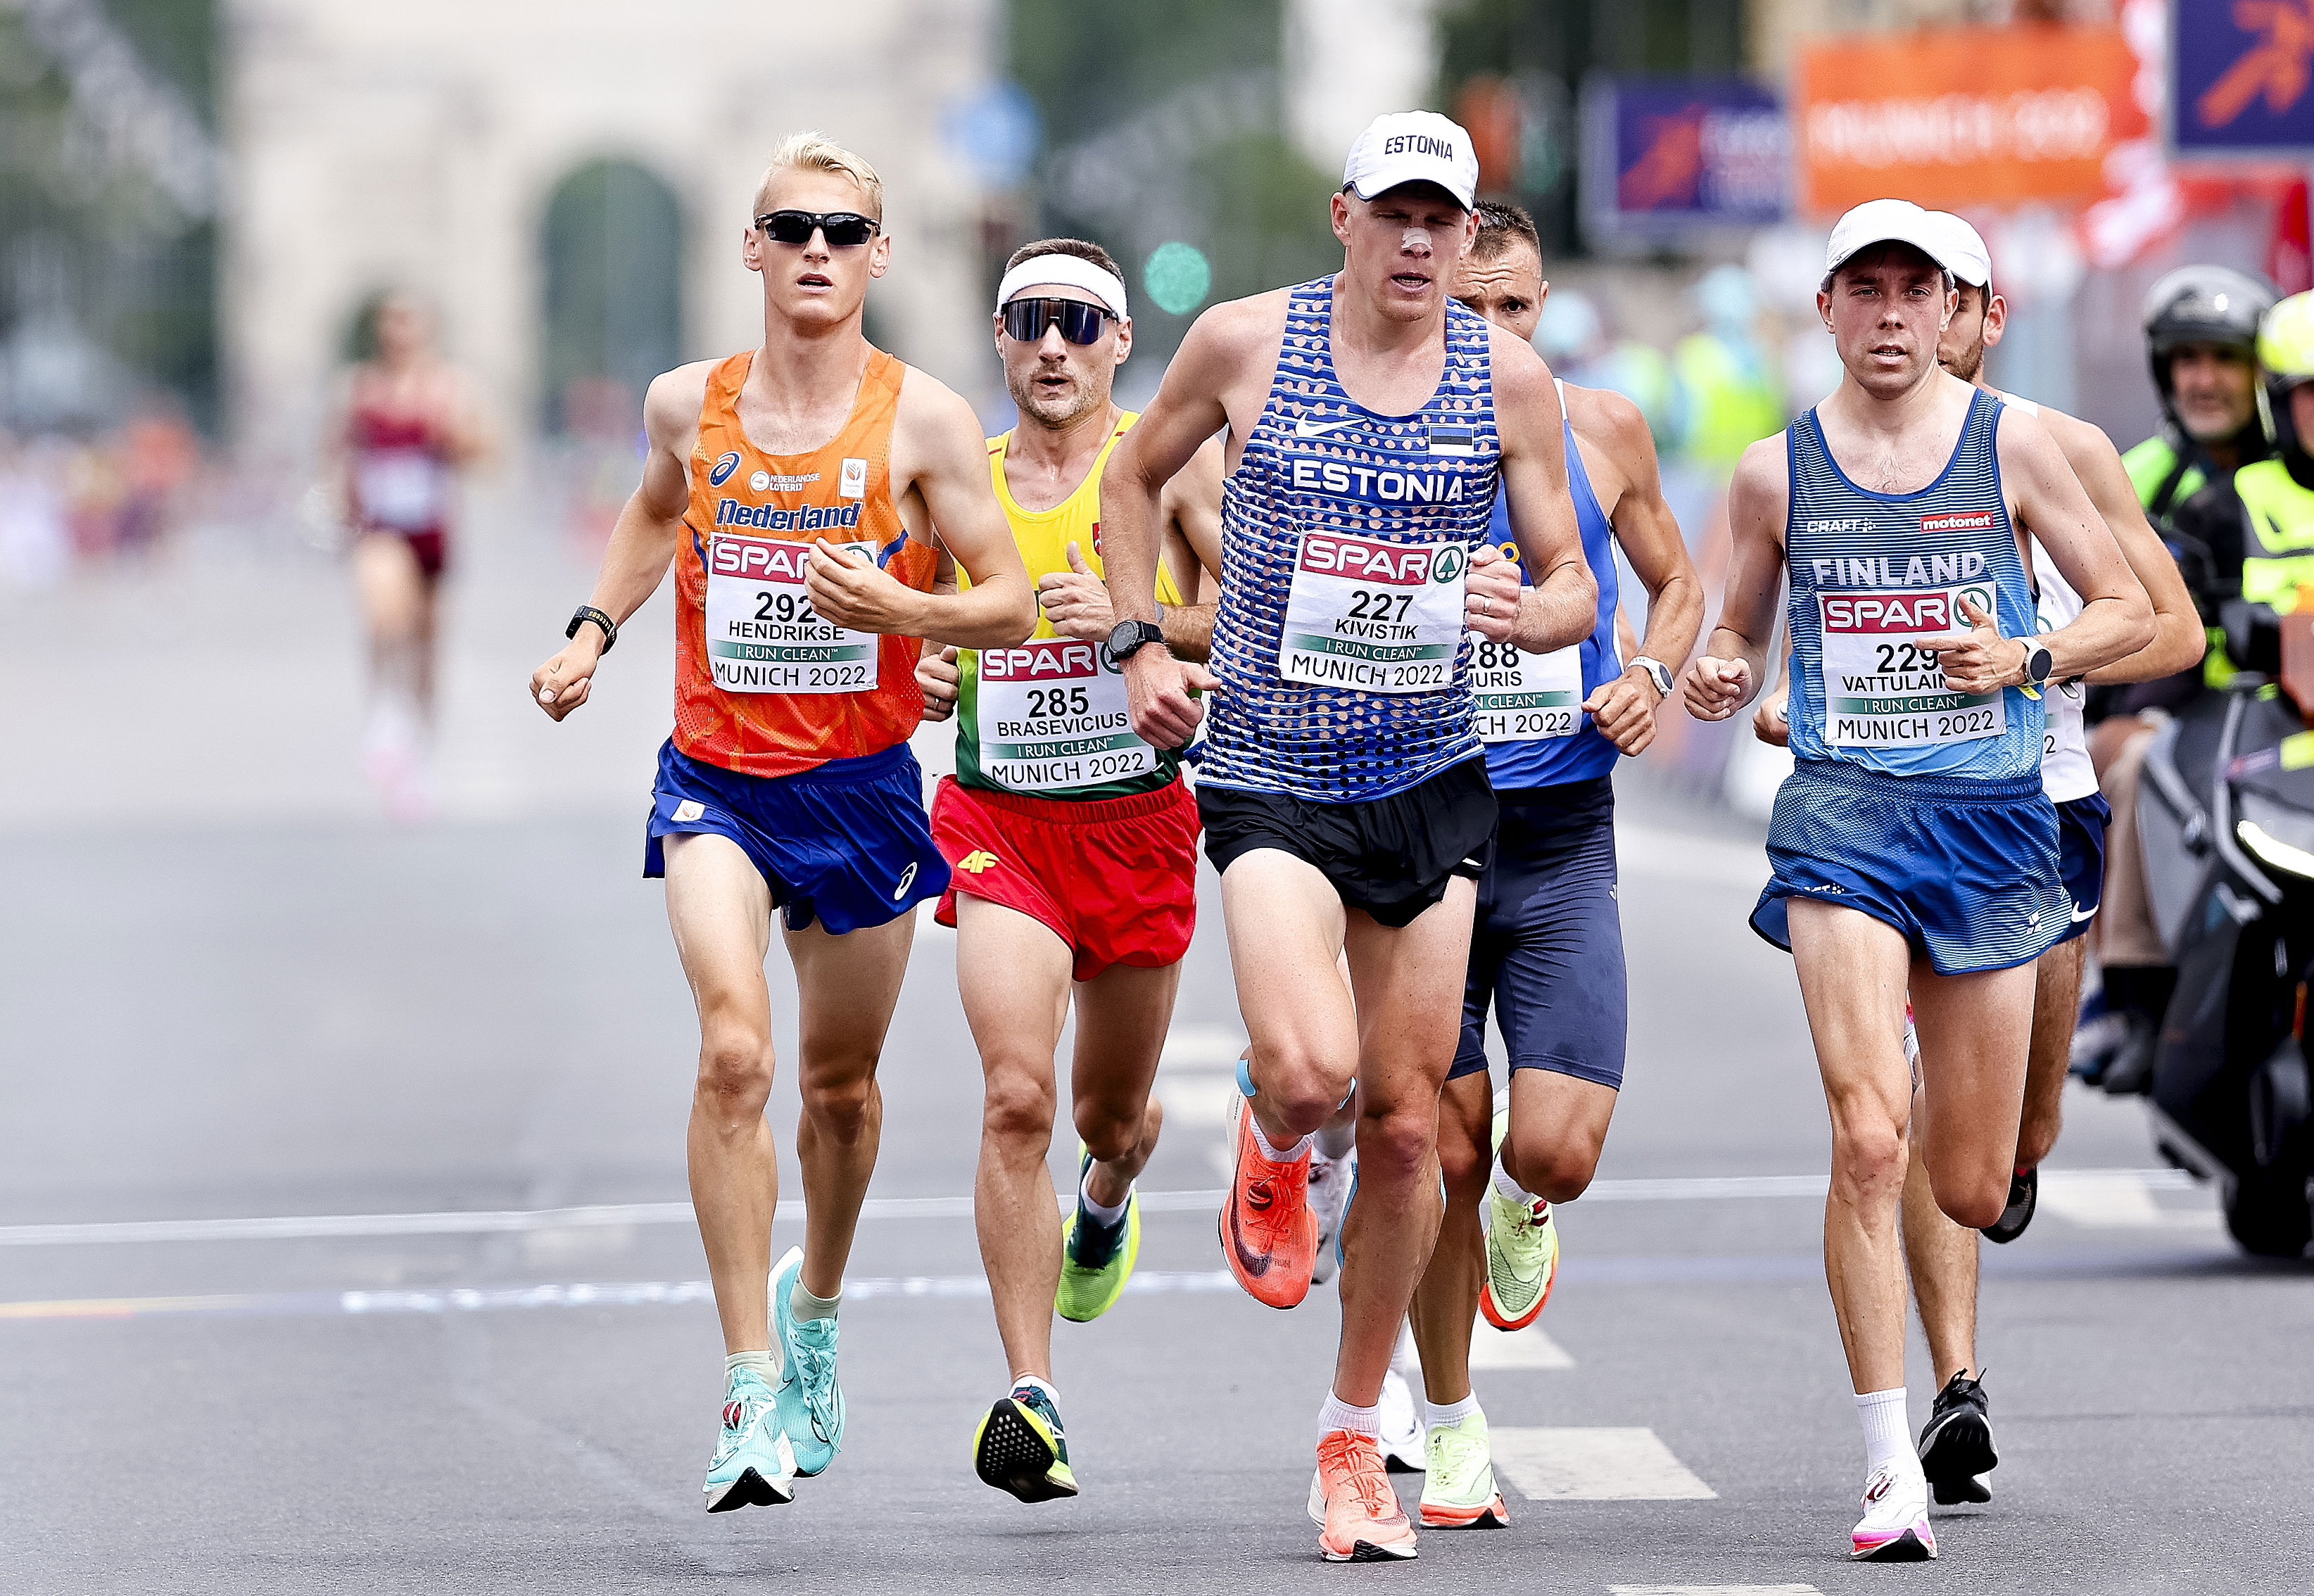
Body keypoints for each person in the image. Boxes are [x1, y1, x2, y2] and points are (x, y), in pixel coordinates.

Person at [1100, 110, 1596, 1562]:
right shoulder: (1249, 345)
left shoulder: (1508, 378)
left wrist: (1536, 612)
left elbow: (1568, 576)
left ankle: (1349, 1434)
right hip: (1265, 767)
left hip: (1432, 775)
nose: (1422, 241)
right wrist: (1139, 642)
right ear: (1343, 217)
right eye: (1396, 213)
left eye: (1444, 218)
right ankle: (1266, 1129)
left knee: (1413, 1130)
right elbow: (1133, 480)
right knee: (1315, 1075)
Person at [526, 132, 1035, 1514]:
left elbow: (1006, 599)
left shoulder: (923, 420)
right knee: (738, 1057)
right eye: (790, 227)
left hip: (863, 792)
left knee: (840, 1094)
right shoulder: (690, 406)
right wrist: (592, 629)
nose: (816, 249)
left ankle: (814, 1311)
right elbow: (649, 515)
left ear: (877, 256)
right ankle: (749, 1383)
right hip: (719, 782)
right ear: (748, 249)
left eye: (843, 231)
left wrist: (905, 614)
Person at [1682, 198, 2152, 1562]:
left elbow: (2127, 606)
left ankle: (1945, 1281)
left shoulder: (2015, 451)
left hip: (1995, 828)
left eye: (1916, 291)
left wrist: (2031, 661)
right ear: (1825, 310)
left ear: (1951, 311)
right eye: (1865, 290)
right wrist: (1720, 674)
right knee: (1867, 1133)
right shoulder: (1775, 476)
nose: (1891, 316)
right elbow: (1733, 641)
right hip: (1841, 825)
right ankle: (1888, 1460)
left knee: (1966, 1176)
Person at [1405, 199, 1703, 1532]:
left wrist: (1649, 671)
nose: (1485, 332)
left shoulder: (1601, 430)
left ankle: (1531, 1207)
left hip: (1560, 831)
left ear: (1543, 311)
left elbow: (1676, 582)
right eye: (1463, 306)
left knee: (1554, 1150)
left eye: (1510, 306)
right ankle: (1452, 1424)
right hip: (1418, 832)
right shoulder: (1367, 440)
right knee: (1436, 1146)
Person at [911, 236, 1225, 1505]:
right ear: (999, 338)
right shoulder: (960, 483)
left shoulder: (1162, 466)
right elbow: (909, 619)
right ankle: (1029, 1396)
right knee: (1013, 1097)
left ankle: (1106, 1195)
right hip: (1002, 823)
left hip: (1135, 822)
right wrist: (923, 667)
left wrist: (1143, 623)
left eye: (1079, 324)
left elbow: (1255, 611)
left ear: (1118, 347)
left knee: (1108, 1115)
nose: (1053, 345)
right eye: (1030, 320)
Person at [335, 290, 486, 816]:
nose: (399, 333)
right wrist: (341, 504)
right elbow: (340, 450)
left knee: (427, 645)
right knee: (384, 614)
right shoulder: (361, 387)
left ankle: (418, 748)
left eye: (409, 322)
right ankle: (383, 715)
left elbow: (482, 453)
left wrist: (451, 434)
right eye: (392, 322)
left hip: (432, 530)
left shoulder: (448, 387)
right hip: (381, 527)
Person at [2121, 267, 2276, 528]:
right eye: (2188, 358)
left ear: (2263, 371)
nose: (2206, 382)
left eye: (2226, 358)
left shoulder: (2302, 475)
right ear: (2166, 374)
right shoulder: (2125, 485)